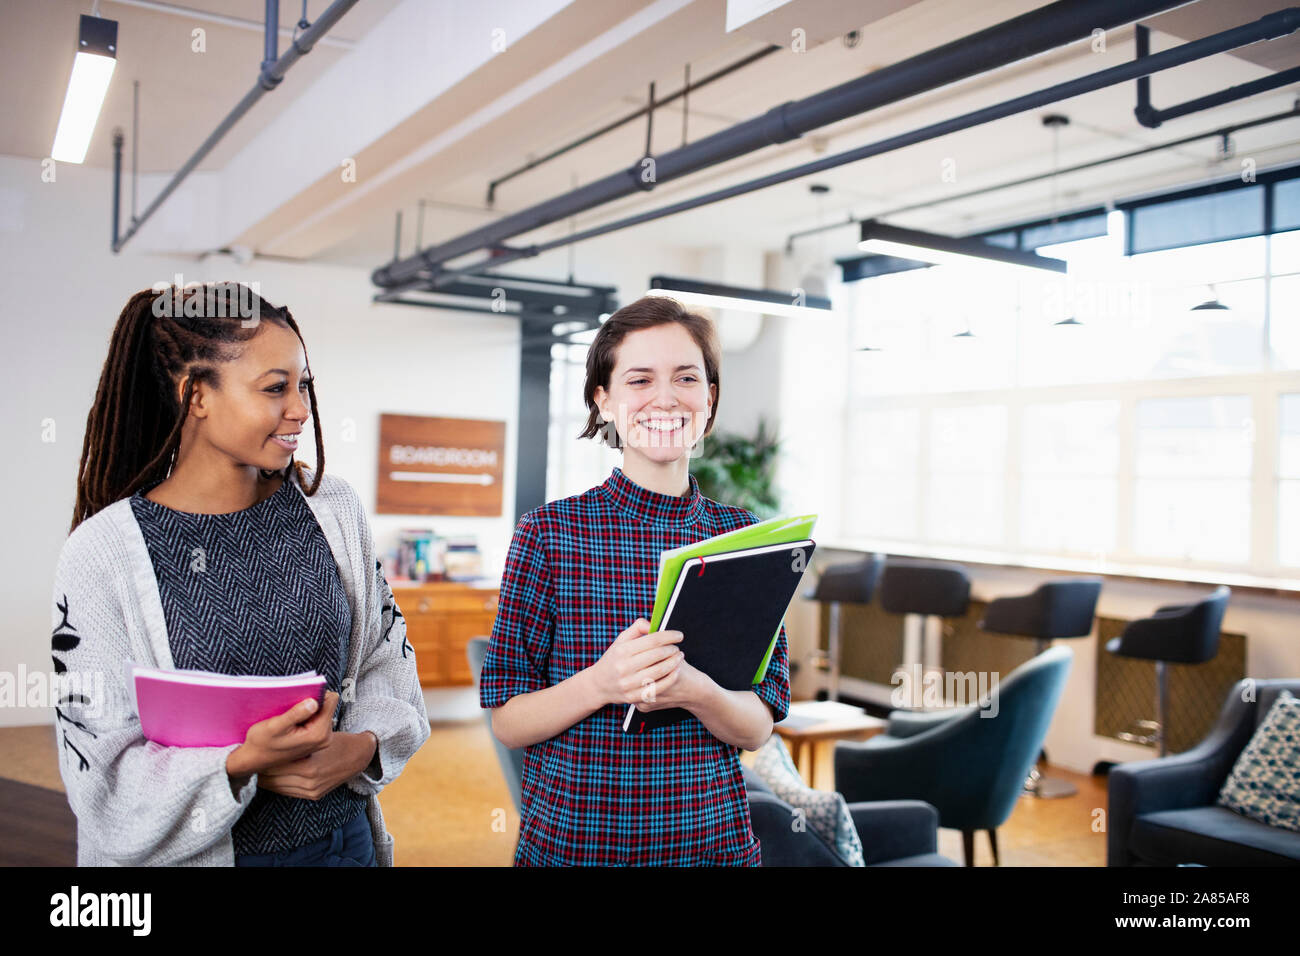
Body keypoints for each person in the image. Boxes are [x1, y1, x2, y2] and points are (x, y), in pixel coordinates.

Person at [51, 281, 429, 866]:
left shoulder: (331, 508)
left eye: (303, 385)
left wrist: (364, 745)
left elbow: (384, 656)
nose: (301, 409)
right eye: (275, 388)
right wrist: (239, 762)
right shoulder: (102, 554)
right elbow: (101, 771)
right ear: (196, 395)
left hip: (345, 844)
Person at [479, 294, 789, 866]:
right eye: (640, 379)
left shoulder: (746, 537)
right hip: (575, 847)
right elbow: (508, 720)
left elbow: (756, 728)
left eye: (687, 378)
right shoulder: (550, 532)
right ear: (605, 399)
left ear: (710, 398)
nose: (665, 398)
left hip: (712, 847)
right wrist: (601, 683)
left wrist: (696, 691)